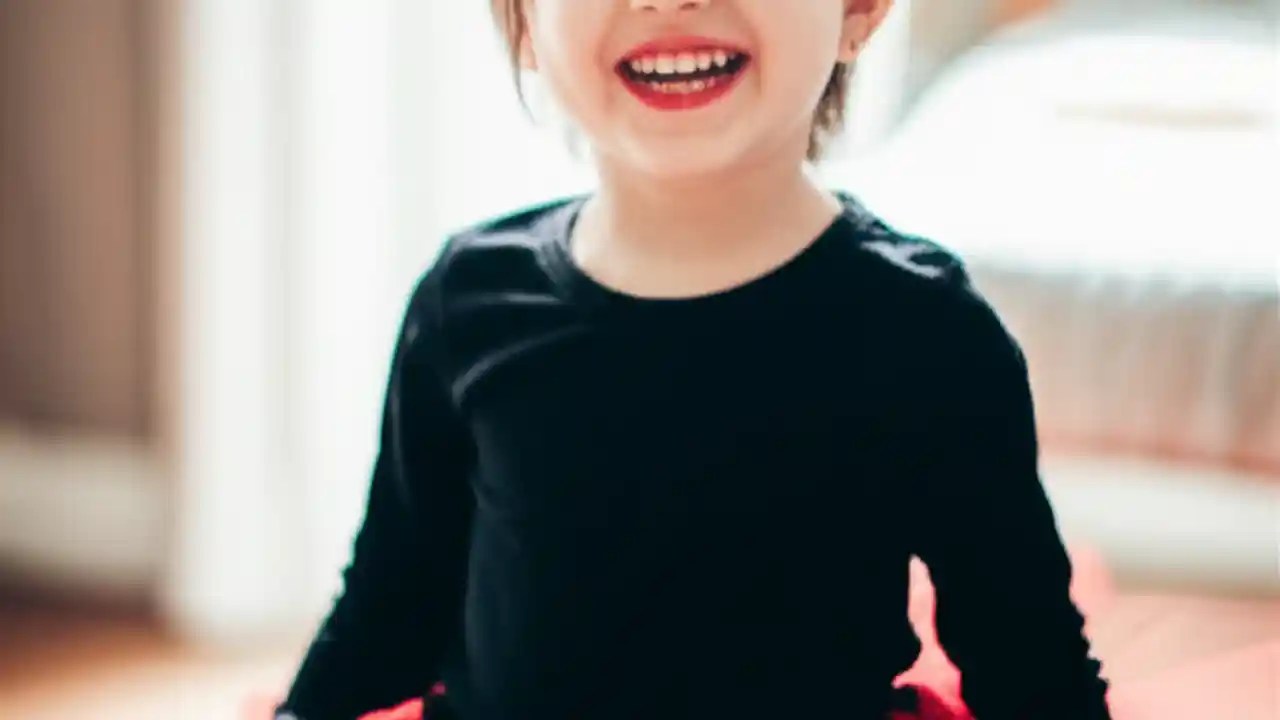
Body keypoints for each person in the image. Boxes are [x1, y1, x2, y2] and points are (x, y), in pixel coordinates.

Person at [274, 1, 1114, 718]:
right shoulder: (470, 302)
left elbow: (1028, 662)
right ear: (524, 20)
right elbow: (390, 609)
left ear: (859, 9)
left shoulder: (925, 333)